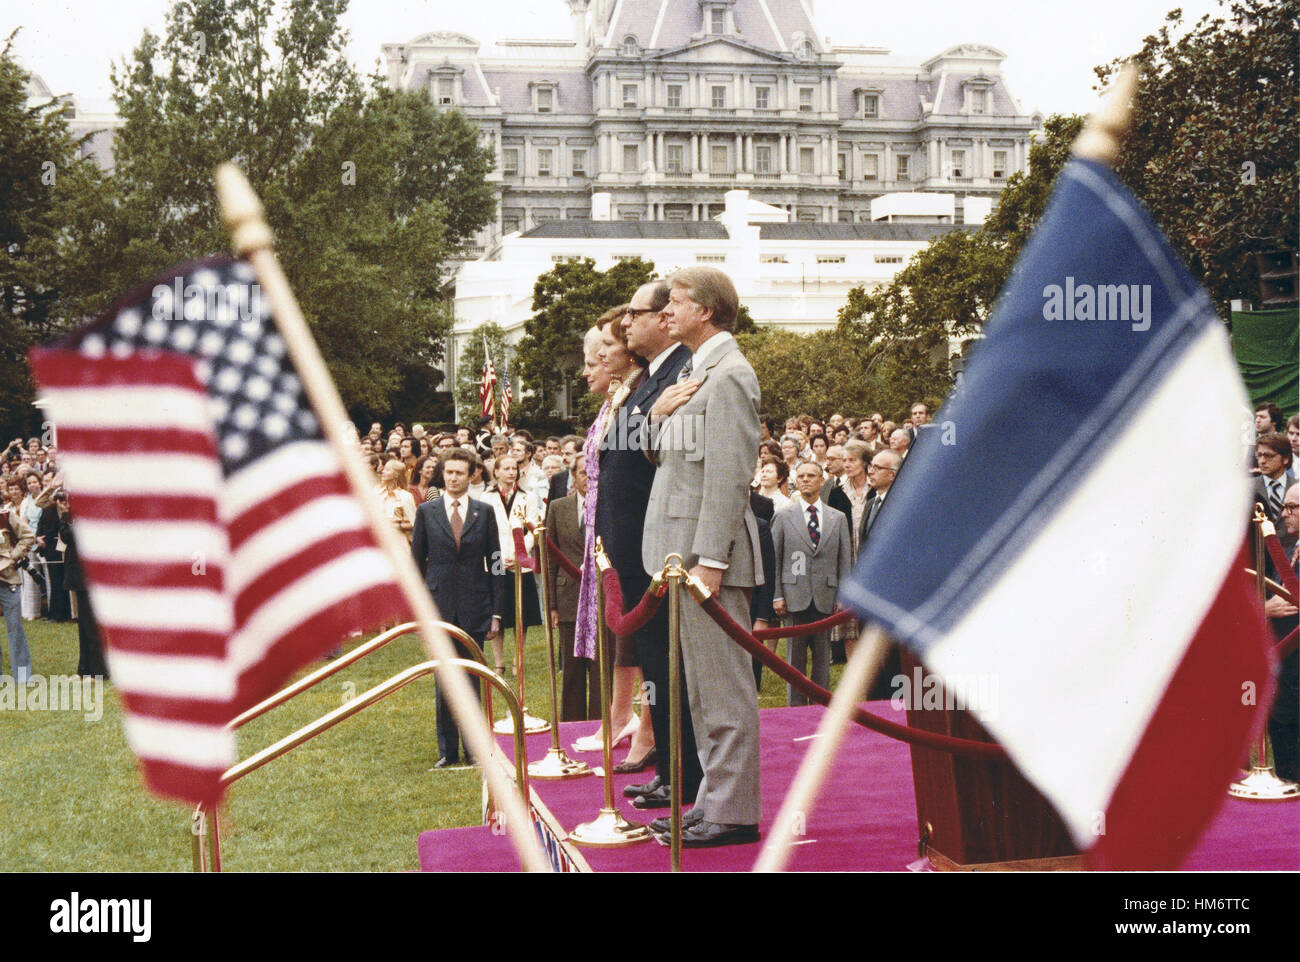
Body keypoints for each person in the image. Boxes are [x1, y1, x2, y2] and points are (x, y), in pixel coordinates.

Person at [642, 266, 762, 847]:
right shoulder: (695, 372)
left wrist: (712, 559)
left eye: (677, 302)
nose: (667, 311)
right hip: (682, 556)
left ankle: (733, 813)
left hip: (707, 560)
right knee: (700, 689)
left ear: (707, 311)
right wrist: (657, 413)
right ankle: (715, 800)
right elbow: (660, 456)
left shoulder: (731, 373)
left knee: (724, 690)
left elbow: (729, 476)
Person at [600, 282, 702, 792]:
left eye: (634, 314)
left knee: (667, 662)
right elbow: (620, 446)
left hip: (658, 541)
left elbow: (676, 451)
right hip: (635, 542)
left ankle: (681, 773)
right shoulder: (650, 379)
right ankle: (668, 770)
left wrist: (654, 417)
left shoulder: (683, 370)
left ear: (663, 318)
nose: (625, 324)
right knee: (656, 664)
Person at [411, 448, 504, 768]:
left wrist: (496, 612)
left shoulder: (484, 512)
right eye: (448, 473)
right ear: (443, 474)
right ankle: (448, 752)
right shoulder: (427, 512)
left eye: (459, 473)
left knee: (472, 678)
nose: (453, 478)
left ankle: (475, 749)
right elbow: (415, 564)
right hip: (439, 608)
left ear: (471, 475)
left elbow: (495, 563)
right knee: (445, 680)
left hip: (475, 606)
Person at [771, 461, 852, 706]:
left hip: (825, 597)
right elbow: (775, 559)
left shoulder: (837, 518)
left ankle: (820, 708)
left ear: (821, 480)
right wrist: (777, 595)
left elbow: (844, 560)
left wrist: (843, 595)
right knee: (794, 661)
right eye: (801, 476)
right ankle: (795, 710)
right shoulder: (784, 516)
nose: (806, 480)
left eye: (811, 476)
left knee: (822, 659)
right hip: (794, 596)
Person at [545, 455, 598, 721]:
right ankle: (571, 725)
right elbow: (550, 557)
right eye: (582, 473)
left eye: (592, 473)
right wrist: (551, 604)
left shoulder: (610, 507)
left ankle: (602, 723)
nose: (587, 478)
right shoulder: (558, 507)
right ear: (573, 478)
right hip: (567, 598)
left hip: (601, 598)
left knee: (600, 668)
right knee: (572, 669)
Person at [483, 453, 541, 674]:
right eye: (505, 468)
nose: (510, 472)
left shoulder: (528, 497)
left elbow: (533, 529)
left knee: (520, 614)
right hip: (495, 559)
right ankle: (499, 662)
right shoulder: (486, 498)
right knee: (498, 611)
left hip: (520, 560)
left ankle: (518, 660)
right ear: (496, 472)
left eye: (513, 468)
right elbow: (485, 531)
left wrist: (519, 553)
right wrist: (497, 554)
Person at [1264, 483, 1299, 781]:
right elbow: (1275, 600)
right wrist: (1267, 610)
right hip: (1282, 670)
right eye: (1284, 507)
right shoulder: (1285, 551)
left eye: (1292, 508)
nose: (1284, 514)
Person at [58, 494, 107, 678]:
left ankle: (99, 671)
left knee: (91, 626)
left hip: (87, 576)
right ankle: (84, 669)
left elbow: (67, 536)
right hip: (80, 576)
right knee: (84, 625)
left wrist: (63, 516)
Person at [0, 503, 35, 683]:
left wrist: (13, 556)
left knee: (15, 628)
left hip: (7, 579)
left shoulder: (6, 516)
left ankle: (23, 677)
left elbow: (28, 536)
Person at [374, 460, 417, 543]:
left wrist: (393, 526)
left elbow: (413, 523)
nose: (383, 471)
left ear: (396, 474)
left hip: (398, 543)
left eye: (387, 470)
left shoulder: (405, 496)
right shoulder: (376, 492)